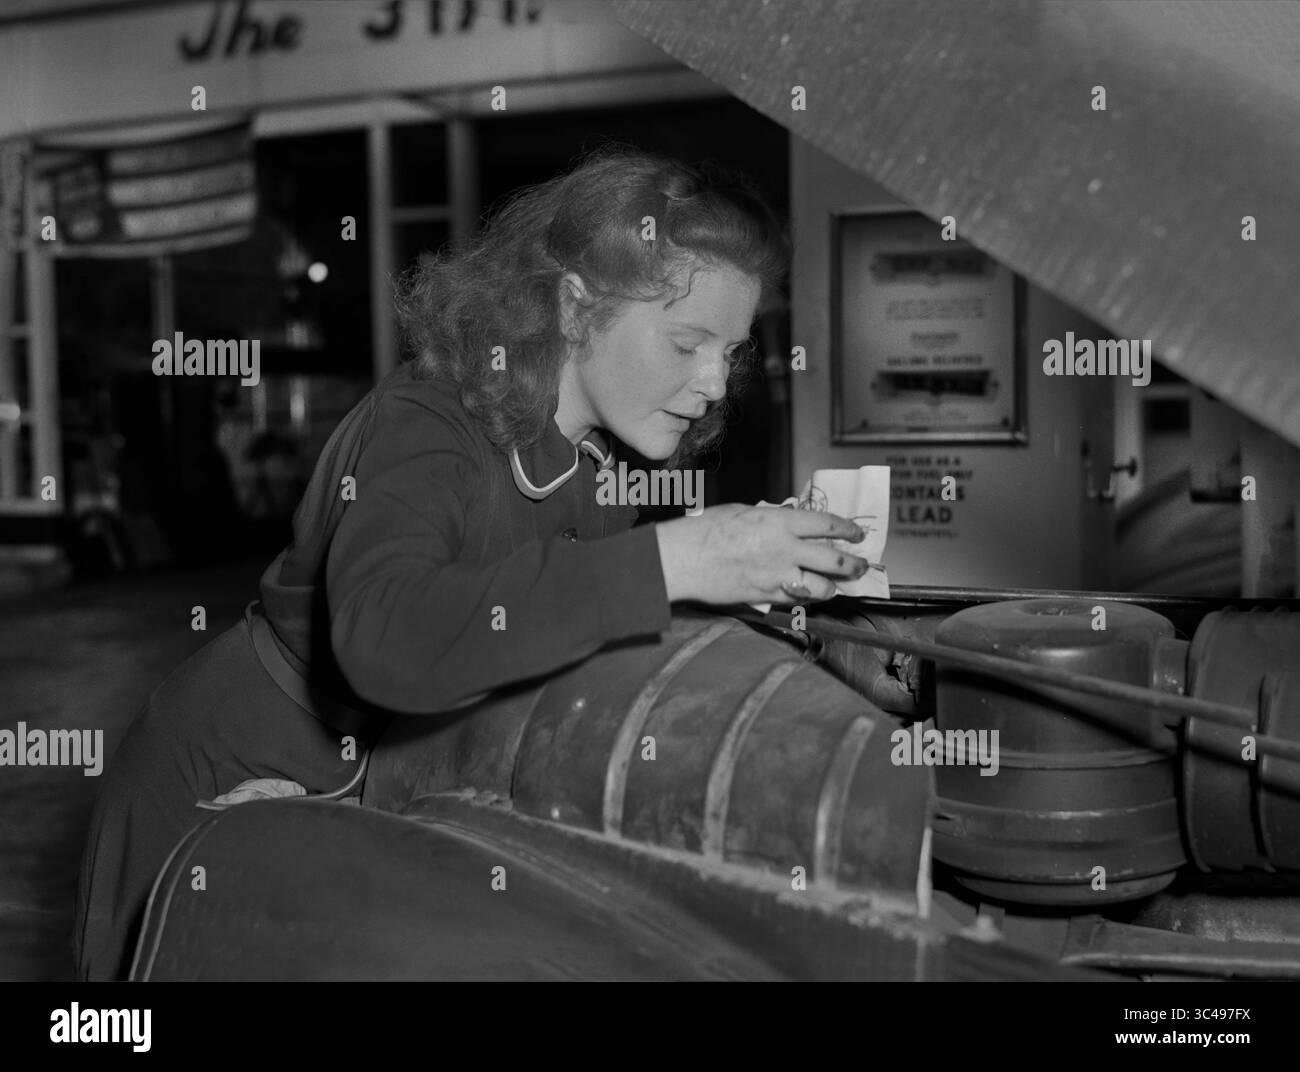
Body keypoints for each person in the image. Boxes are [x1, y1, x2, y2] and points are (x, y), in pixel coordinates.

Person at [72, 145, 872, 981]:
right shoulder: (423, 423)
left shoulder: (599, 469)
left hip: (390, 793)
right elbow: (386, 633)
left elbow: (550, 635)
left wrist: (752, 601)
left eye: (733, 352)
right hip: (236, 768)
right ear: (575, 309)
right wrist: (677, 559)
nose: (714, 382)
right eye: (685, 342)